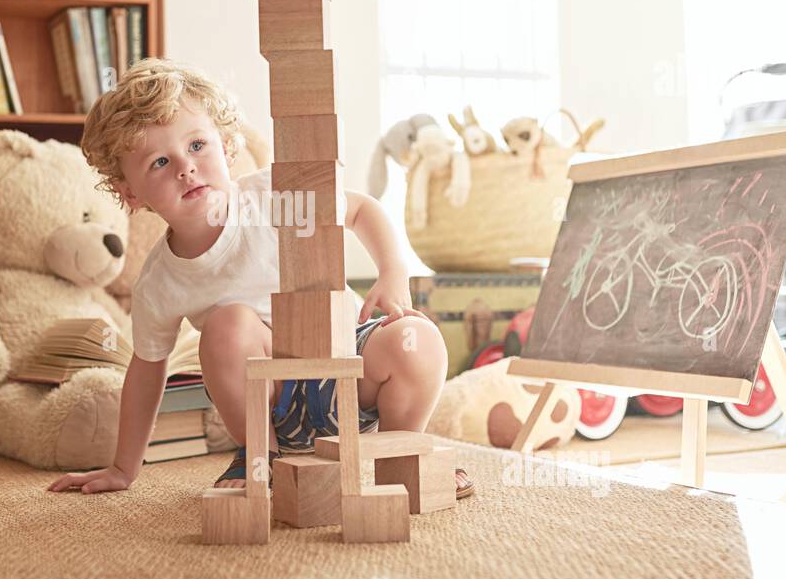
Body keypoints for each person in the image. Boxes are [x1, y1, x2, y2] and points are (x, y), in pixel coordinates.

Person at [49, 58, 472, 499]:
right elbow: (147, 369)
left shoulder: (272, 194)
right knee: (228, 323)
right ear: (131, 193)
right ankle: (259, 456)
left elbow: (361, 209)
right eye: (159, 161)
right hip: (273, 407)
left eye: (197, 145)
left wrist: (392, 273)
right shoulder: (161, 280)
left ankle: (401, 454)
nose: (185, 168)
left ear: (227, 146)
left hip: (352, 367)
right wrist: (123, 467)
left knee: (418, 338)